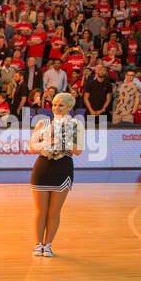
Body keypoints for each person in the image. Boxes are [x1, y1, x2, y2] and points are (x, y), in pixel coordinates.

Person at [27, 92, 84, 257]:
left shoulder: (76, 125)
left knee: (54, 212)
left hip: (63, 168)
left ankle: (48, 244)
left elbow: (78, 150)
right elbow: (32, 147)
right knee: (40, 211)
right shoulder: (42, 123)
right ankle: (38, 244)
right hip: (43, 167)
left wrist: (62, 140)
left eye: (61, 105)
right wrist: (48, 142)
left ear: (69, 107)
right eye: (54, 104)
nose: (56, 108)